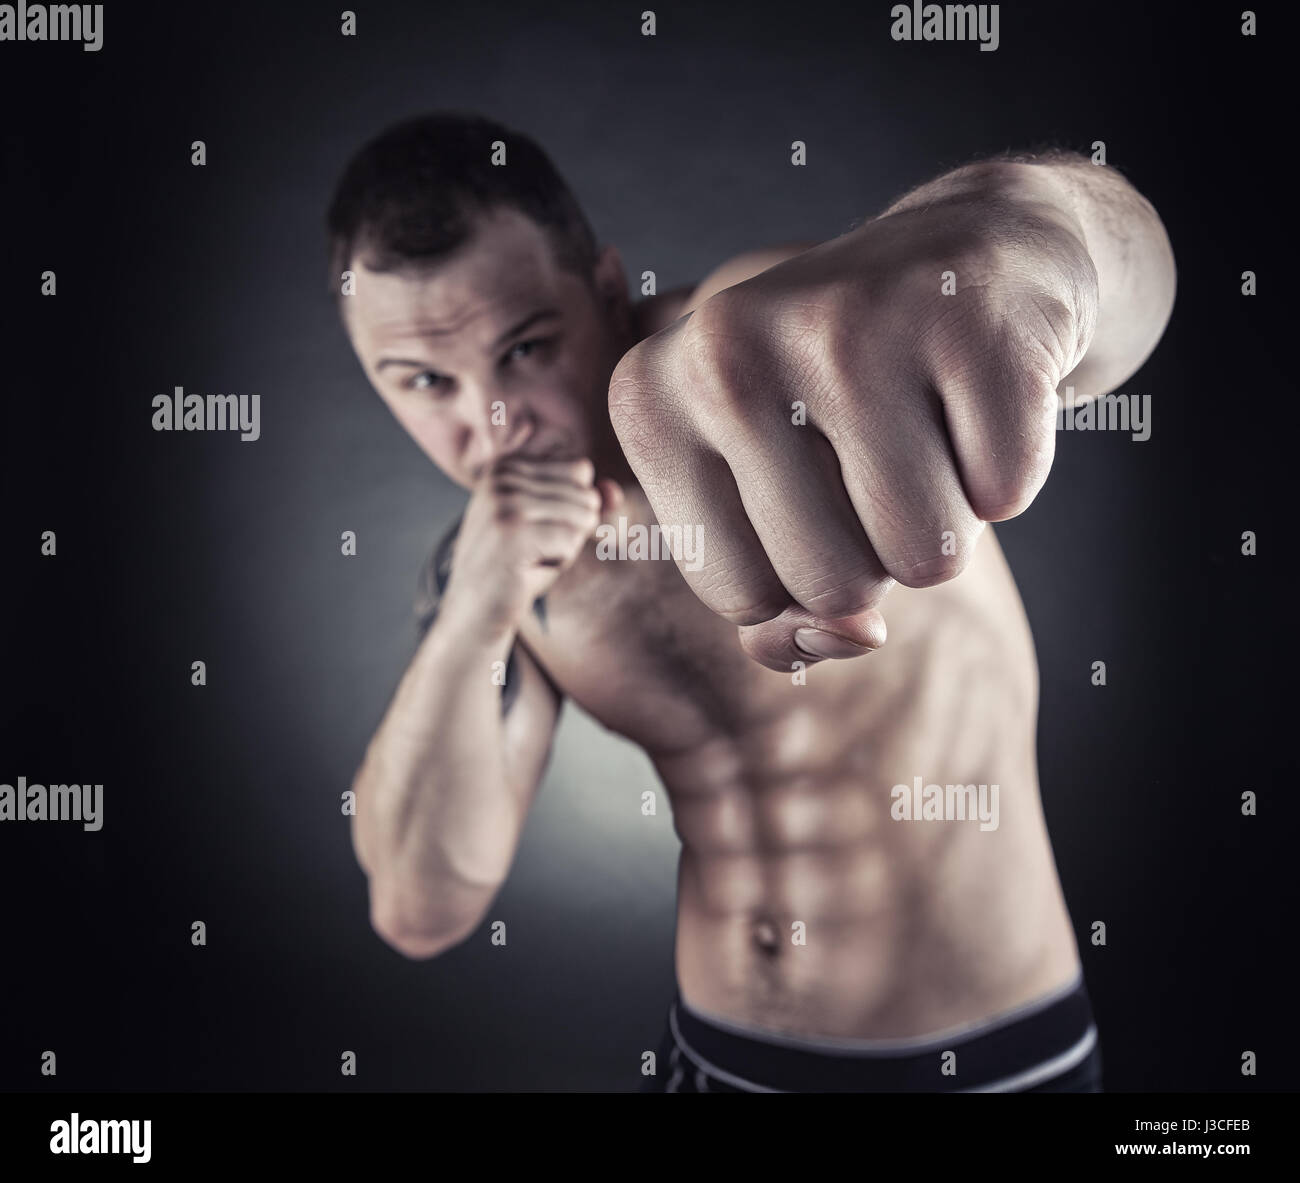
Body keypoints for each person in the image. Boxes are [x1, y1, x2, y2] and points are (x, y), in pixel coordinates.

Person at [327, 110, 1175, 1092]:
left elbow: (1124, 285)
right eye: (424, 380)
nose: (492, 423)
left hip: (983, 1062)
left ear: (607, 288)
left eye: (525, 348)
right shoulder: (498, 567)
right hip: (717, 1058)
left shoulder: (751, 359)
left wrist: (1029, 228)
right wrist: (478, 600)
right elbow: (420, 907)